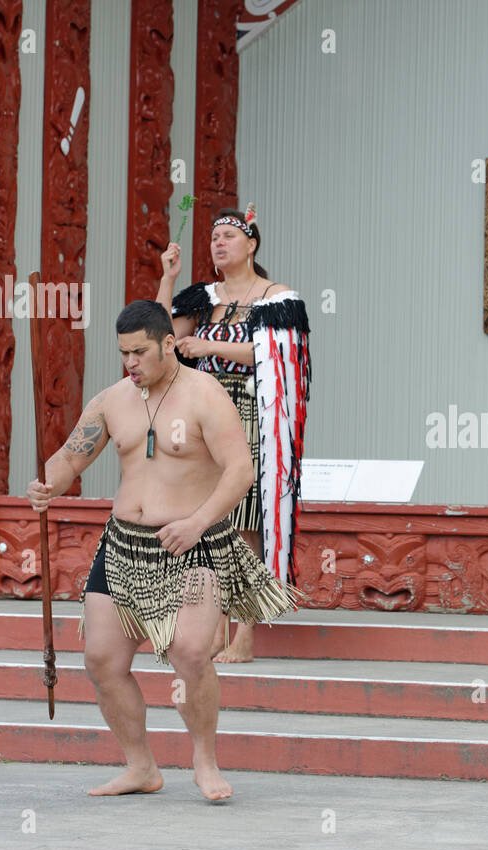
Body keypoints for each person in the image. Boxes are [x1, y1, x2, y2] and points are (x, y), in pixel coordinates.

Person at [27, 300, 297, 800]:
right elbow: (70, 456)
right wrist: (47, 483)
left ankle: (205, 761)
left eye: (140, 352)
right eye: (124, 353)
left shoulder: (205, 394)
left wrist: (197, 522)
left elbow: (241, 470)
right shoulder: (112, 400)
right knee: (102, 660)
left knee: (192, 652)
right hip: (123, 545)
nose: (131, 363)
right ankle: (141, 767)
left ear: (168, 343)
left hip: (191, 543)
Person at [157, 204, 312, 663]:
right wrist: (168, 279)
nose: (218, 243)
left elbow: (279, 355)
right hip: (205, 415)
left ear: (252, 244)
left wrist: (209, 345)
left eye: (227, 235)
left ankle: (245, 633)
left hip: (253, 414)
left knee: (245, 524)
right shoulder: (202, 297)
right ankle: (216, 629)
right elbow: (160, 339)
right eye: (213, 236)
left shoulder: (277, 296)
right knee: (211, 524)